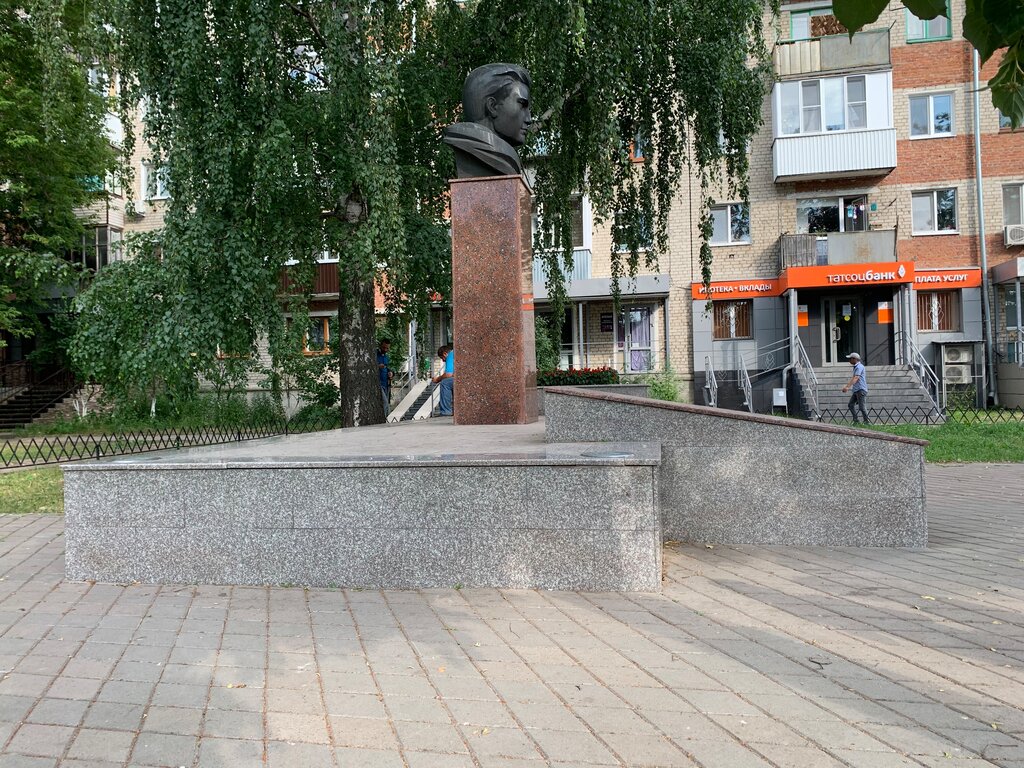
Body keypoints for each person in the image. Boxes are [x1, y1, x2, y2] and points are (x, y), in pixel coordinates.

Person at [442, 63, 533, 179]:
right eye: (522, 105)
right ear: (492, 106)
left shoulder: (507, 158)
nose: (529, 119)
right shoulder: (483, 149)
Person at [841, 352, 869, 424]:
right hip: (857, 390)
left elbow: (856, 377)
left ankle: (867, 422)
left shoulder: (859, 367)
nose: (849, 360)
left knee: (862, 407)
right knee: (850, 405)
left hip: (861, 389)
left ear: (855, 359)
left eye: (850, 359)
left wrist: (847, 387)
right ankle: (856, 420)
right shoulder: (856, 367)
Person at [432, 344, 454, 417]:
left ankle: (445, 411)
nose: (443, 361)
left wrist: (437, 379)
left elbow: (448, 374)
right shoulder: (456, 353)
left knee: (445, 383)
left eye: (442, 358)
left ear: (445, 353)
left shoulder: (450, 355)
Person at [377, 339, 392, 417]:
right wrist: (378, 366)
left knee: (387, 405)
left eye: (387, 348)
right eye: (384, 348)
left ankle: (385, 419)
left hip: (386, 383)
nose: (385, 350)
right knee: (385, 403)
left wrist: (391, 373)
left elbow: (388, 368)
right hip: (378, 383)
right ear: (380, 346)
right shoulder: (375, 354)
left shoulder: (386, 357)